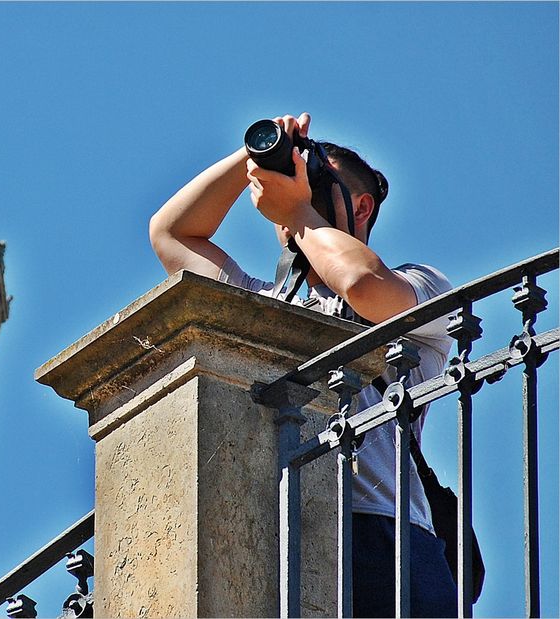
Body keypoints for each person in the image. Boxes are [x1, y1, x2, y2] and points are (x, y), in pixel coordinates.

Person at [149, 113, 457, 617]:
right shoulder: (265, 304)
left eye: (314, 184)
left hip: (382, 529)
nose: (294, 196)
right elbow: (171, 234)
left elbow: (361, 283)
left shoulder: (419, 284)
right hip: (281, 528)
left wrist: (295, 212)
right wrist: (256, 159)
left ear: (361, 205)